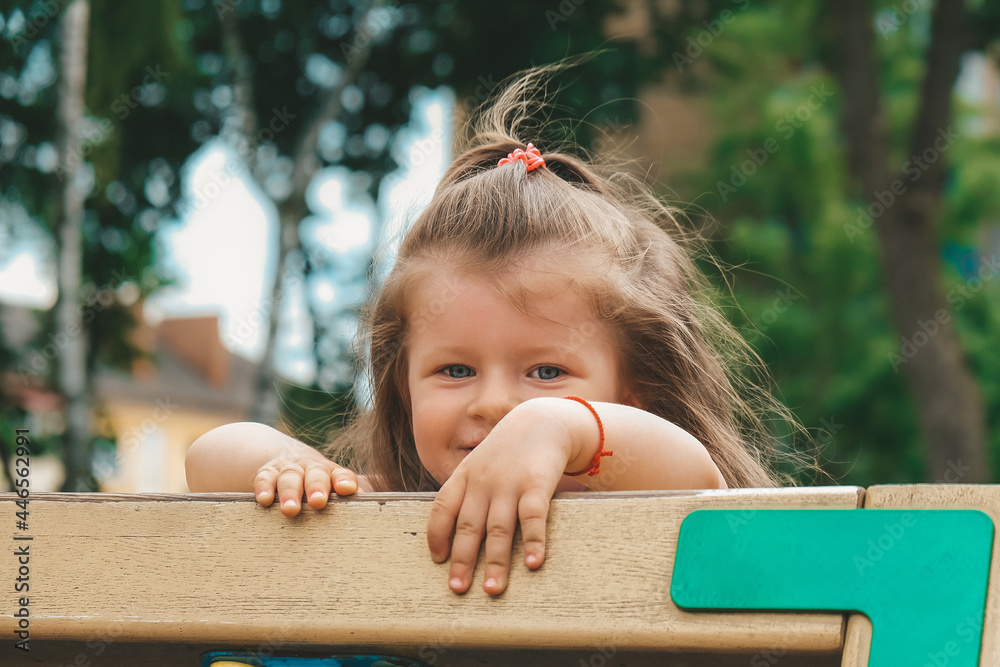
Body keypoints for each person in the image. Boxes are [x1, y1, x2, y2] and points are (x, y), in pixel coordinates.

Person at [186, 65, 801, 596]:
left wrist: (559, 427)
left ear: (633, 396)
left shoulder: (652, 494)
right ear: (402, 386)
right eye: (455, 370)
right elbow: (208, 457)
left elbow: (698, 477)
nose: (496, 404)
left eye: (547, 372)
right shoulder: (387, 503)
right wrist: (288, 461)